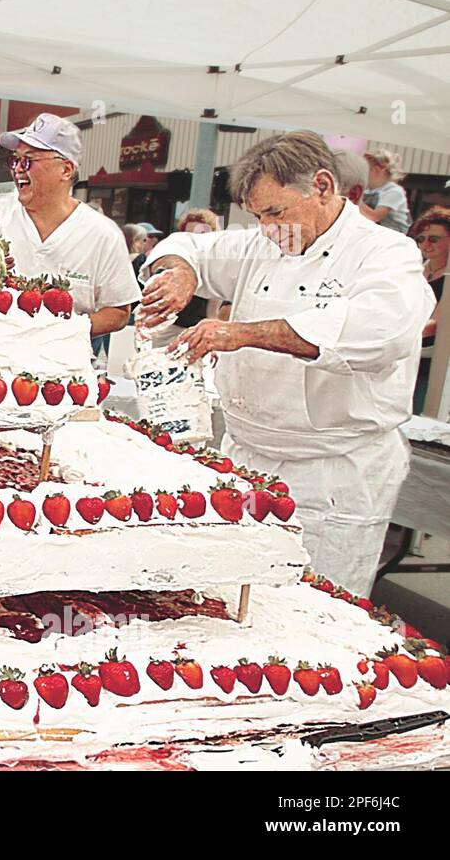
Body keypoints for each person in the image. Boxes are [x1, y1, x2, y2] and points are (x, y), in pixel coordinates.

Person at [137, 131, 434, 595]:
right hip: (248, 453)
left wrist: (241, 334)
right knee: (227, 591)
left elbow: (377, 334)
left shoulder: (386, 253)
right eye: (258, 217)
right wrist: (179, 273)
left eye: (276, 212)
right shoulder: (264, 243)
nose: (269, 228)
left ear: (321, 186)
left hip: (331, 469)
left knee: (315, 602)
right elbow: (189, 247)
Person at [0, 113, 140, 343]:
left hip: (63, 366)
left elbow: (119, 311)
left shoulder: (102, 234)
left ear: (65, 170)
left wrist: (62, 331)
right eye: (15, 160)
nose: (18, 170)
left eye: (29, 160)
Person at [411, 206, 450, 415]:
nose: (425, 244)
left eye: (434, 239)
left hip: (433, 363)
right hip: (408, 354)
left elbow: (435, 325)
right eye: (421, 238)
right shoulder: (415, 268)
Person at [359, 149, 411, 233]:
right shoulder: (368, 191)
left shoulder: (394, 191)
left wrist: (355, 200)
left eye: (363, 170)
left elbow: (374, 217)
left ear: (376, 170)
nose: (360, 174)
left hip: (393, 235)